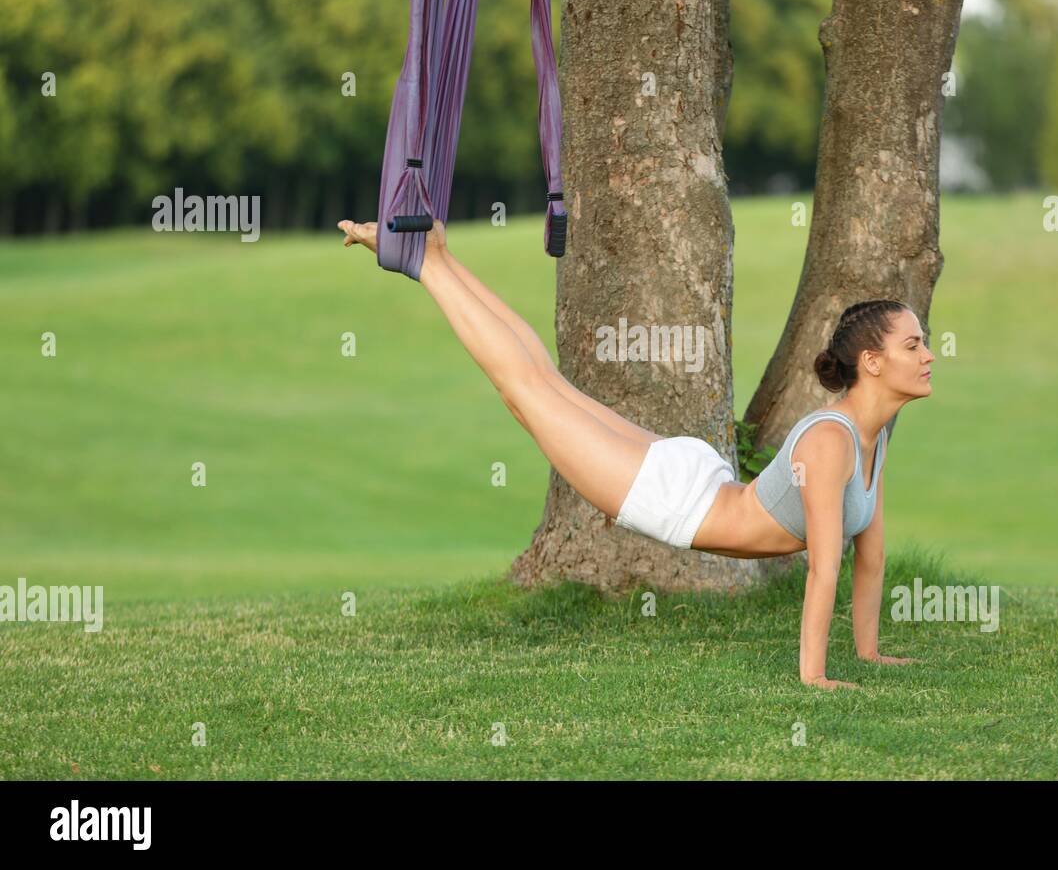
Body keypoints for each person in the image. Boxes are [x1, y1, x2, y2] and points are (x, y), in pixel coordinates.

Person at [340, 218, 932, 689]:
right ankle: (428, 263)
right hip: (674, 499)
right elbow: (824, 567)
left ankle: (436, 257)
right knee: (528, 389)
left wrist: (870, 654)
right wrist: (815, 677)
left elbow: (870, 559)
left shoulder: (875, 434)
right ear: (872, 364)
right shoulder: (831, 441)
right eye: (913, 344)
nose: (928, 354)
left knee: (545, 386)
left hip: (699, 481)